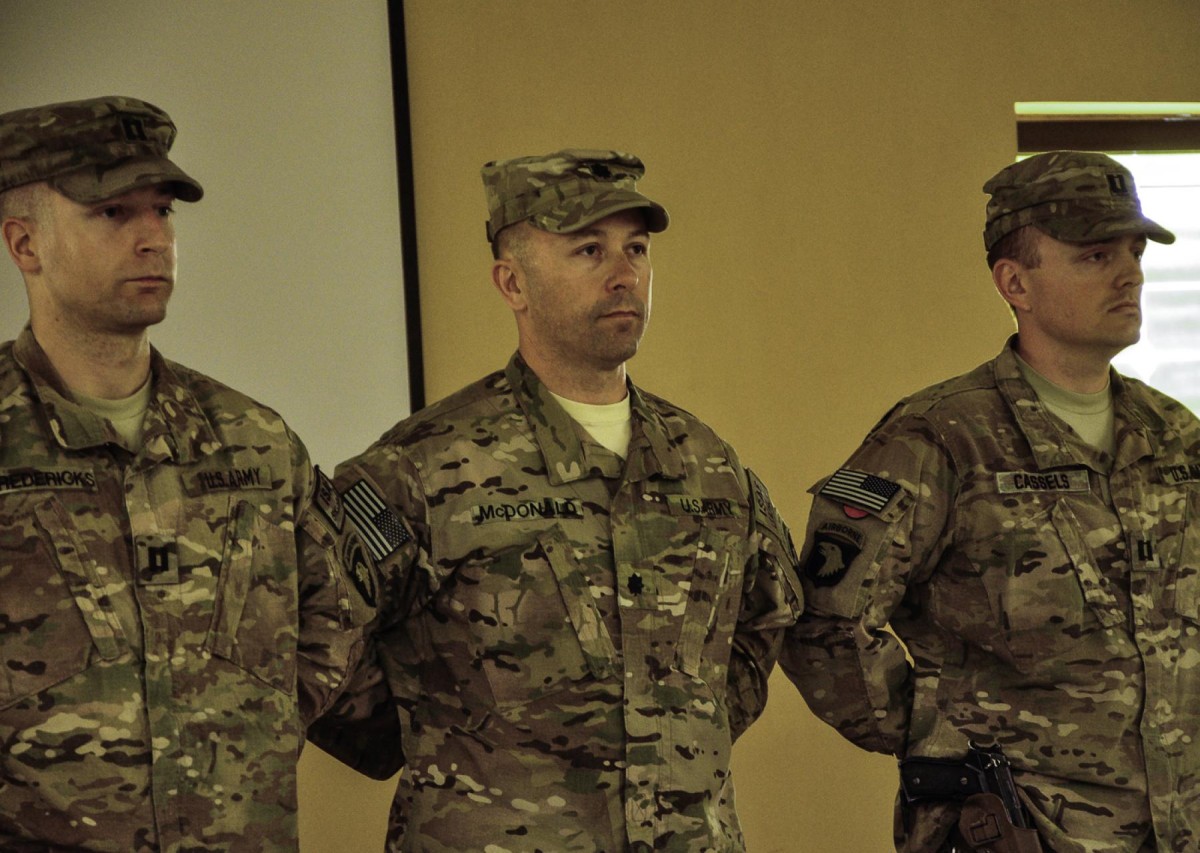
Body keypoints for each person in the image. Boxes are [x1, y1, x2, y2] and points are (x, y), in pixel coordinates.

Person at [307, 149, 803, 852]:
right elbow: (313, 633)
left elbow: (762, 624)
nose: (624, 273)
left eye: (636, 248)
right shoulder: (423, 465)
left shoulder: (705, 462)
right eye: (588, 250)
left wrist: (677, 737)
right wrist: (439, 740)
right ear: (512, 282)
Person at [781, 149, 1198, 853]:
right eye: (1096, 255)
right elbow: (825, 621)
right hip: (1017, 828)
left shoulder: (1177, 438)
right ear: (1015, 281)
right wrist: (938, 732)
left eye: (1132, 251)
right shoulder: (939, 437)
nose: (1130, 273)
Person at [0, 96, 376, 851]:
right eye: (113, 213)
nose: (155, 239)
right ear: (26, 244)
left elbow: (337, 617)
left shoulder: (256, 442)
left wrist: (250, 730)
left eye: (163, 210)